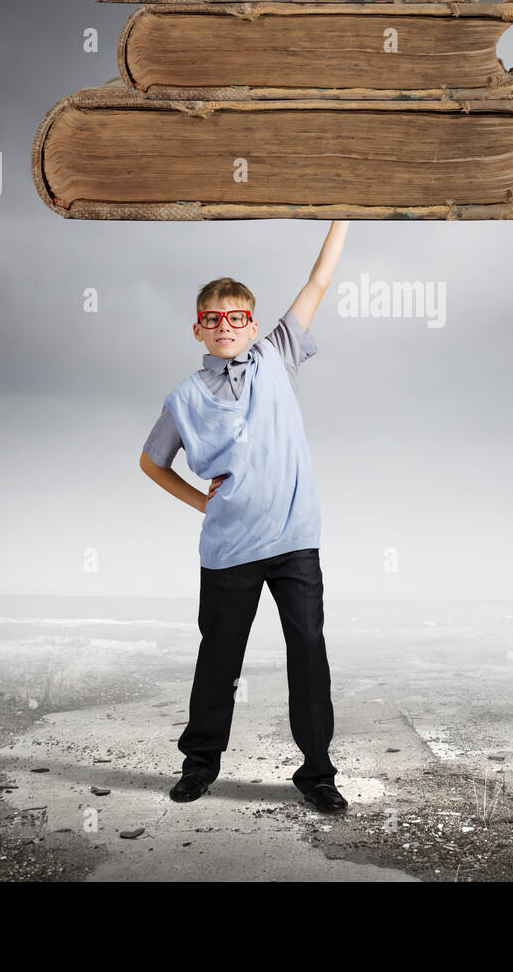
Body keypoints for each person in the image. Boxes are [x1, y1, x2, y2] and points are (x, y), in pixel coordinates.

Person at [139, 222, 350, 813]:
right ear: (198, 328)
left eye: (236, 318)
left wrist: (345, 212)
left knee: (308, 653)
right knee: (219, 661)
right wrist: (202, 502)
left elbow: (320, 278)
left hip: (294, 540)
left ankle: (317, 775)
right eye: (213, 318)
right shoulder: (183, 397)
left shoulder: (278, 355)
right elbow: (151, 461)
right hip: (229, 548)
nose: (225, 327)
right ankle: (199, 765)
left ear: (252, 325)